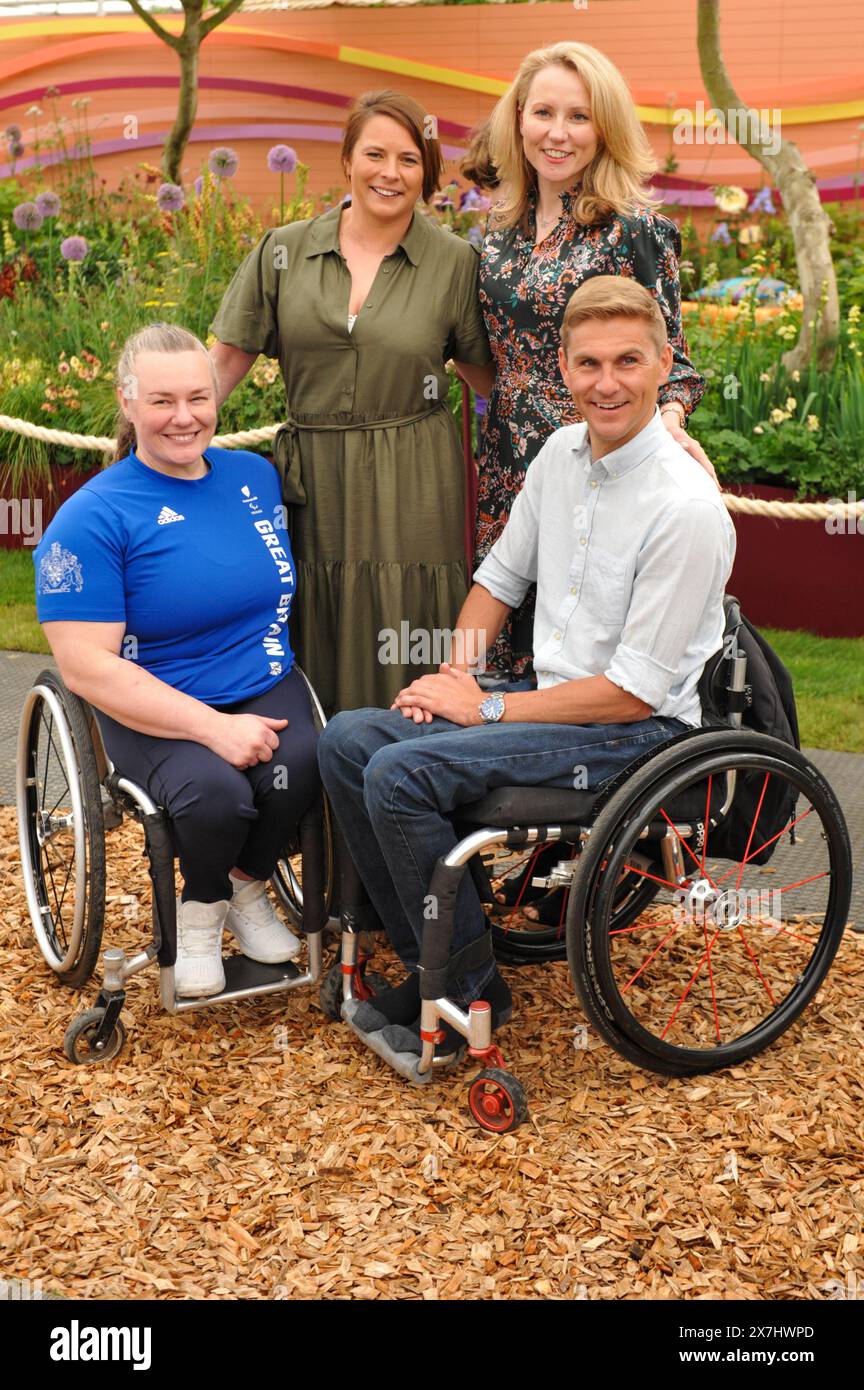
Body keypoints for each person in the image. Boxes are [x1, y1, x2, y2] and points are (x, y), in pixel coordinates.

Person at [317, 276, 736, 1080]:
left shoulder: (685, 507)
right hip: (554, 708)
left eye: (627, 361)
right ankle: (434, 963)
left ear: (662, 366)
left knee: (402, 772)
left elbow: (634, 692)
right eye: (588, 364)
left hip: (639, 736)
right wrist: (448, 679)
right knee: (348, 739)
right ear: (562, 368)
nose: (606, 382)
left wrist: (485, 708)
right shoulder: (557, 456)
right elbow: (500, 581)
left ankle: (471, 995)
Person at [33, 324, 321, 998]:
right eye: (162, 401)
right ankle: (198, 911)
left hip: (259, 679)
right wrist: (212, 729)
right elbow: (87, 671)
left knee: (307, 765)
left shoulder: (254, 478)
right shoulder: (90, 517)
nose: (184, 418)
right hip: (151, 696)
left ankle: (244, 891)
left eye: (199, 397)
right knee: (214, 796)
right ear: (127, 403)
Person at [209, 90, 494, 717]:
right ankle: (312, 801)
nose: (390, 173)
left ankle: (407, 786)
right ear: (346, 160)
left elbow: (489, 382)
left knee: (408, 623)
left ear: (427, 175)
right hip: (313, 478)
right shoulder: (283, 251)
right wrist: (156, 447)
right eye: (375, 154)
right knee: (310, 615)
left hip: (413, 480)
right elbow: (223, 365)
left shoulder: (454, 263)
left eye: (409, 160)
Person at [472, 41, 711, 686]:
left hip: (595, 458)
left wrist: (671, 423)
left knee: (586, 638)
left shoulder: (632, 228)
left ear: (604, 127)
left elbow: (674, 360)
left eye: (579, 116)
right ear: (517, 118)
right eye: (543, 112)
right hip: (507, 463)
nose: (558, 133)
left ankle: (597, 775)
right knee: (506, 636)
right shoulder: (499, 227)